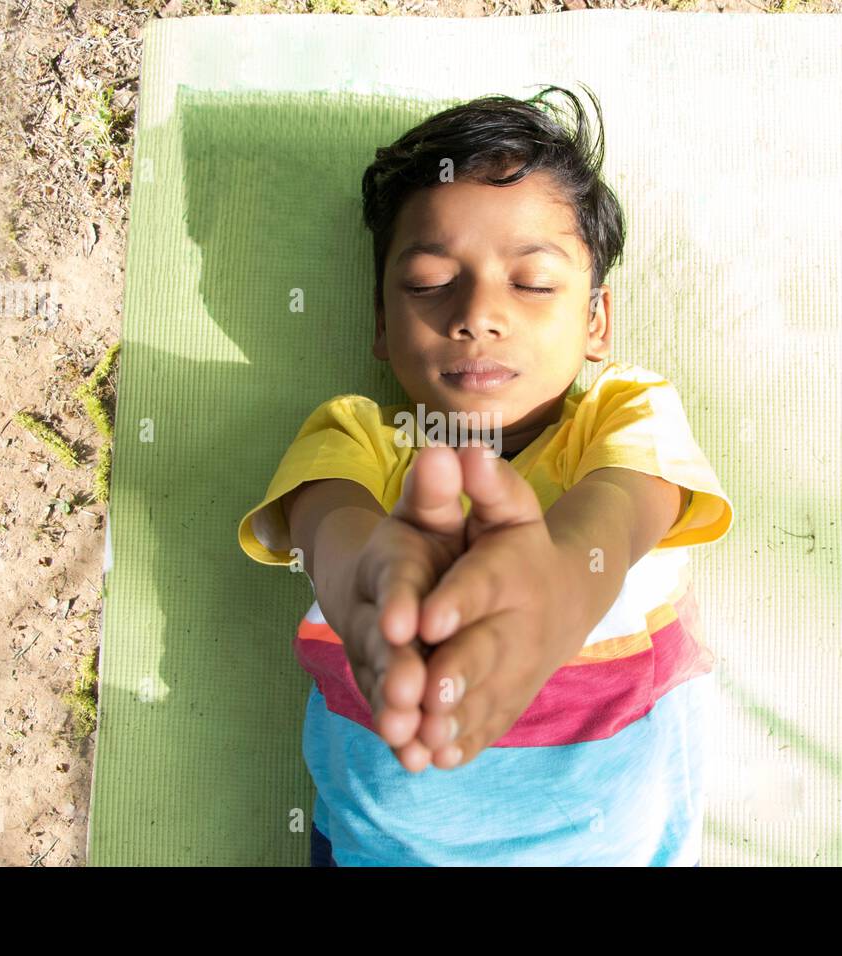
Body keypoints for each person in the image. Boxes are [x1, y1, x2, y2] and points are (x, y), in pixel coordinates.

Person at [238, 84, 733, 866]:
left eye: (532, 284)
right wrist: (371, 583)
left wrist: (564, 587)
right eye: (431, 283)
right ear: (378, 323)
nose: (477, 313)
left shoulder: (623, 417)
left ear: (597, 322)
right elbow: (329, 527)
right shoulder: (360, 440)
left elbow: (622, 511)